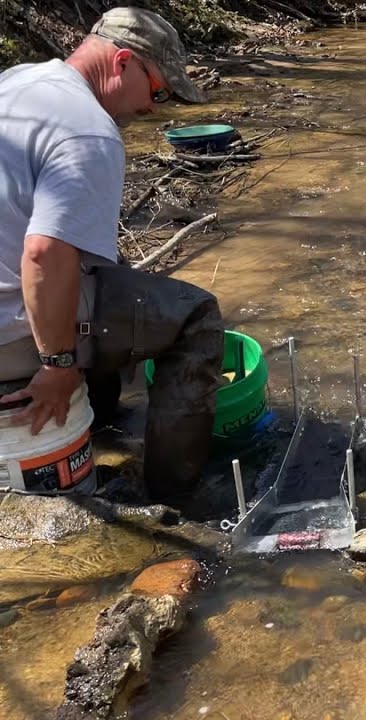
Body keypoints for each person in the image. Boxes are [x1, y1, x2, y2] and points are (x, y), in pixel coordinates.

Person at [0, 7, 224, 501]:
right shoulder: (89, 132)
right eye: (158, 91)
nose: (154, 109)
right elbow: (43, 254)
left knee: (110, 271)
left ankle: (99, 425)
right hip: (10, 327)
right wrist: (57, 365)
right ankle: (174, 496)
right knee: (196, 318)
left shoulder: (18, 83)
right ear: (123, 62)